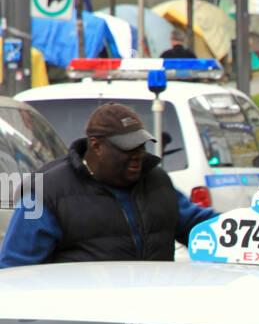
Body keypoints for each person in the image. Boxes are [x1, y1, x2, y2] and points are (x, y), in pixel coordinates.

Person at [0, 102, 214, 266]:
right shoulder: (44, 192)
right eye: (127, 148)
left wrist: (244, 222)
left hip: (152, 315)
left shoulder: (157, 182)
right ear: (96, 146)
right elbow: (16, 268)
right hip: (85, 320)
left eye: (140, 147)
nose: (138, 156)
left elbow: (202, 227)